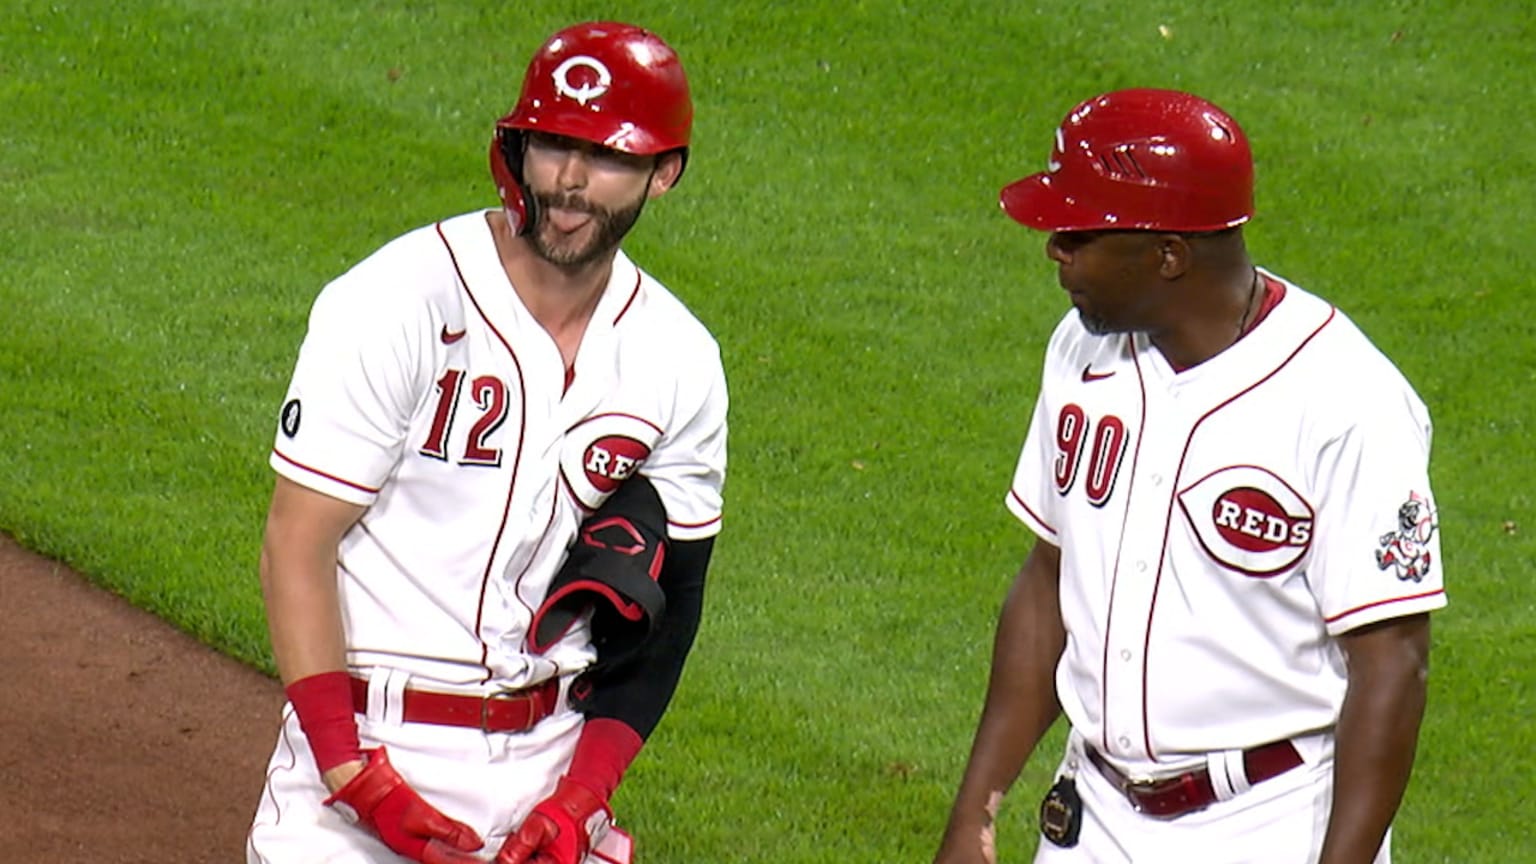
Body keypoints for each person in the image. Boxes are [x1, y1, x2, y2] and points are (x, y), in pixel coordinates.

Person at [246, 20, 727, 864]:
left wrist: (585, 795)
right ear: (519, 150)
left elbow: (674, 601)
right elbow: (296, 538)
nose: (572, 183)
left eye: (608, 157)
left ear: (665, 174)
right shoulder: (398, 299)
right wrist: (353, 774)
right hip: (365, 747)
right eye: (554, 147)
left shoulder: (677, 358)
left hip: (547, 763)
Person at [933, 89, 1444, 864]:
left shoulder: (1348, 403)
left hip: (1268, 824)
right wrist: (975, 812)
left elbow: (1393, 664)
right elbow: (1049, 579)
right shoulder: (1079, 352)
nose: (1054, 251)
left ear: (1168, 255)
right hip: (1093, 813)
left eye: (1078, 234)